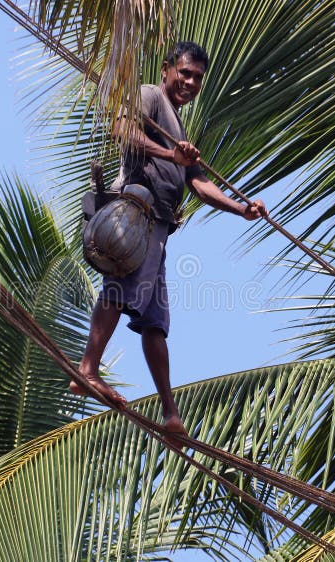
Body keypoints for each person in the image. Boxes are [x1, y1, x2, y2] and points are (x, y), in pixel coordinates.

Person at [70, 41, 267, 437]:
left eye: (197, 77)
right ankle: (87, 370)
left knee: (155, 324)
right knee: (121, 289)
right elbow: (122, 130)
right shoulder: (150, 97)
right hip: (136, 215)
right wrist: (168, 153)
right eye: (185, 73)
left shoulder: (179, 127)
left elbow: (198, 184)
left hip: (158, 229)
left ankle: (171, 414)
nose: (190, 82)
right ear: (167, 70)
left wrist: (240, 209)